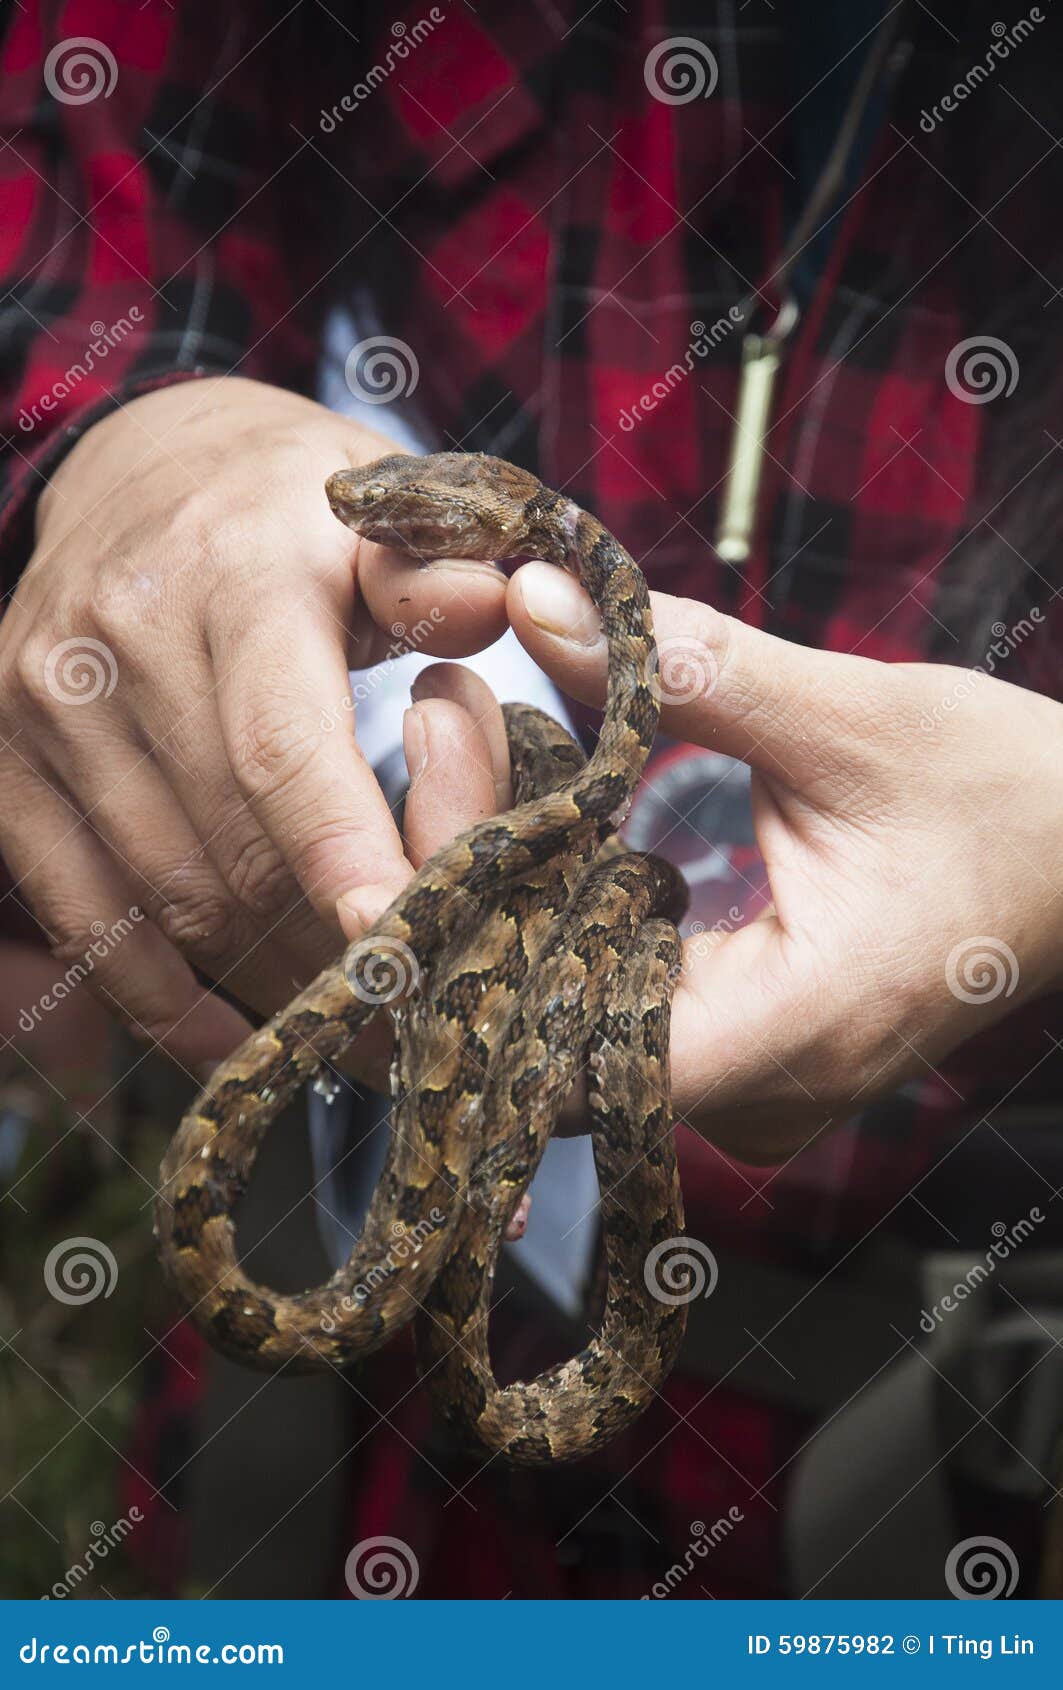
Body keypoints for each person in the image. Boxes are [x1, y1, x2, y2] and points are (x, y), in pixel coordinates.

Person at [1, 1, 1061, 1597]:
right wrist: (118, 439)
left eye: (406, 515)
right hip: (321, 1463)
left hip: (952, 1503)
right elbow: (96, 138)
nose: (380, 518)